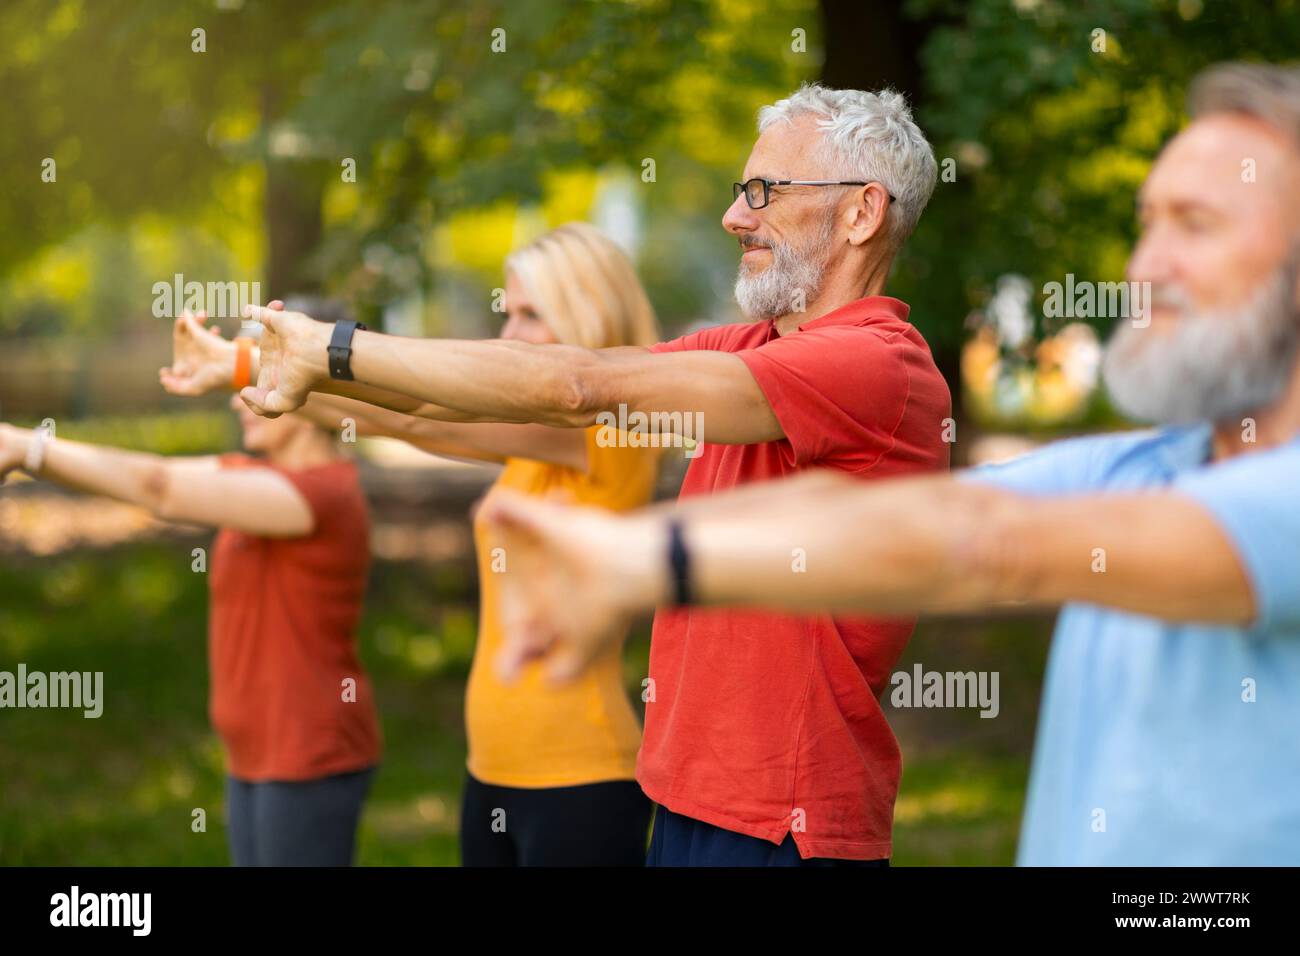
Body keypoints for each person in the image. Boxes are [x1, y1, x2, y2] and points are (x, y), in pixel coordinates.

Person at [478, 62, 1300, 866]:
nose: (1142, 267)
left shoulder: (1281, 494)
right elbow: (908, 516)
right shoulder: (1150, 465)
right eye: (1147, 222)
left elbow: (983, 540)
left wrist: (645, 559)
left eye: (1195, 225)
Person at [235, 85, 951, 865]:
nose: (734, 216)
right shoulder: (749, 345)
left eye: (762, 192)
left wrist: (337, 350)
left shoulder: (877, 363)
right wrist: (277, 365)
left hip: (784, 821)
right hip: (686, 798)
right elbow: (519, 394)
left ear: (860, 212)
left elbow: (579, 386)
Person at [167, 224, 663, 866]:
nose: (510, 334)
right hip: (491, 768)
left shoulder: (603, 432)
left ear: (590, 315)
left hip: (581, 774)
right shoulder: (532, 451)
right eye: (507, 312)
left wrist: (296, 357)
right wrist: (240, 366)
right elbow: (392, 414)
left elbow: (416, 414)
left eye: (532, 315)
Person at [0, 323, 382, 866]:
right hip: (254, 753)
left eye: (258, 378)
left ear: (311, 391)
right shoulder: (251, 478)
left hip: (309, 753)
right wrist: (28, 455)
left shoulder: (324, 494)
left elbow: (161, 489)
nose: (238, 400)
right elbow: (145, 478)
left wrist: (27, 447)